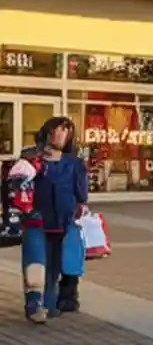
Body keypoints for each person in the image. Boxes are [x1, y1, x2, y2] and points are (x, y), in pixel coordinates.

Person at [20, 117, 89, 324]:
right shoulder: (31, 157)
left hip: (63, 222)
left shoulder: (74, 163)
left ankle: (49, 304)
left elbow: (82, 194)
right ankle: (33, 305)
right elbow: (17, 185)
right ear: (47, 132)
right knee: (35, 263)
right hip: (35, 219)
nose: (61, 135)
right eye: (58, 130)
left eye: (67, 131)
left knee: (54, 267)